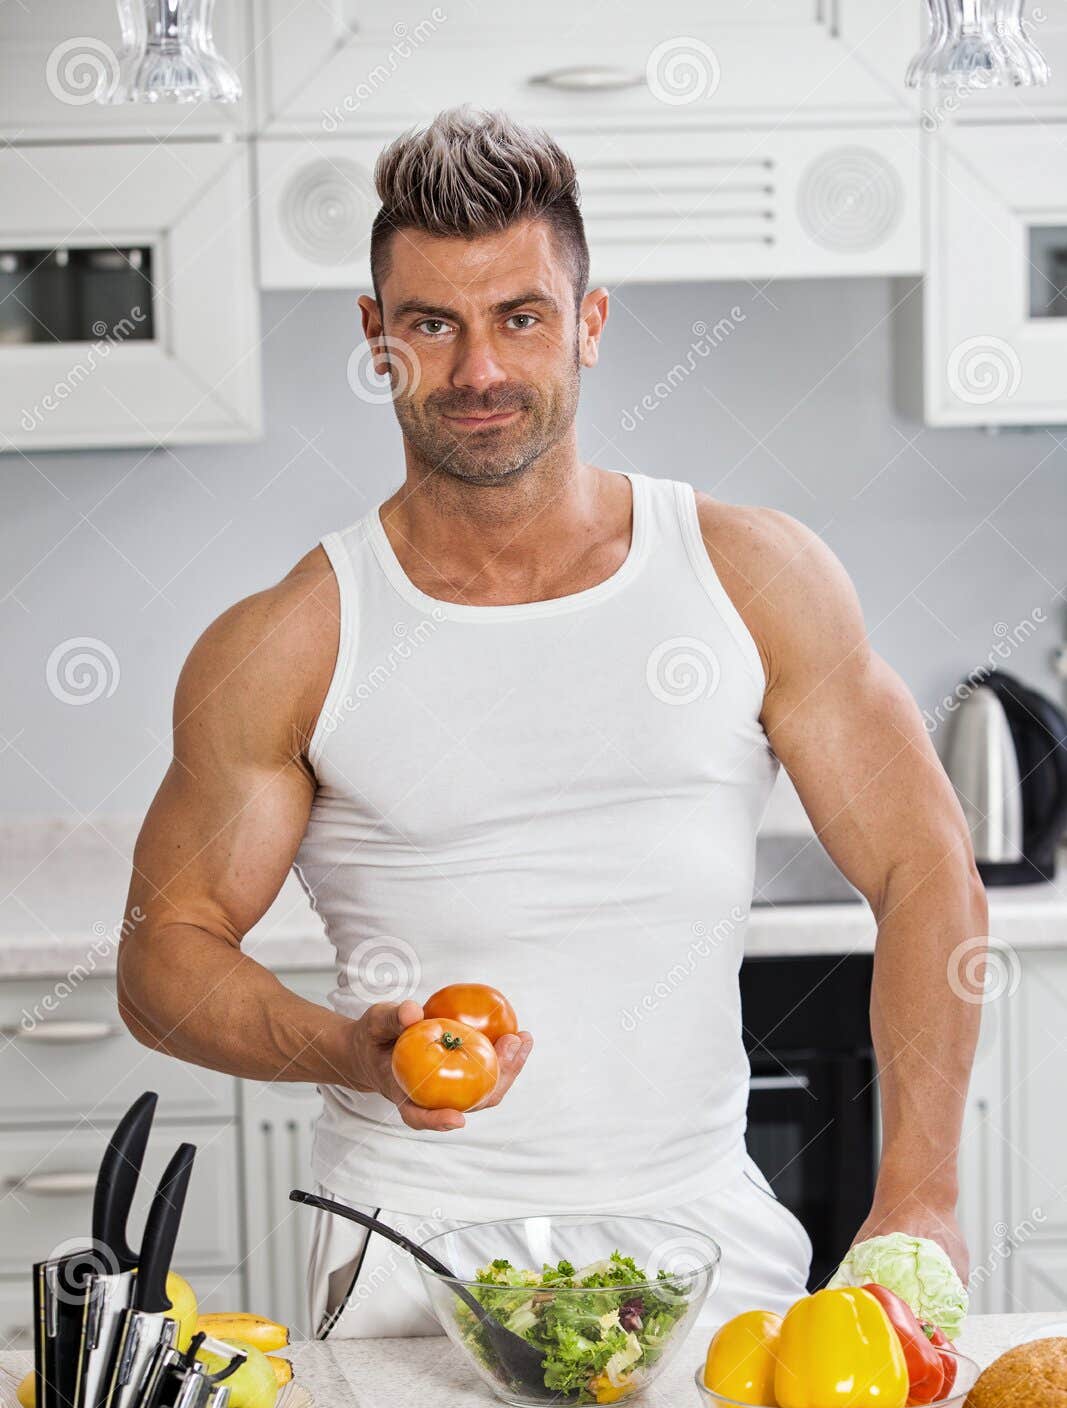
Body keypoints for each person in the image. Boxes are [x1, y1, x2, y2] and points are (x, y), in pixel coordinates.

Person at [117, 107, 986, 1340]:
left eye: (519, 316)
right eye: (432, 323)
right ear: (377, 339)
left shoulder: (751, 576)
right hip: (410, 1254)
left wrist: (919, 1195)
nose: (477, 370)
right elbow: (161, 960)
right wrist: (348, 1052)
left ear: (587, 323)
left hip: (701, 1242)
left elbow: (925, 868)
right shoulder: (292, 638)